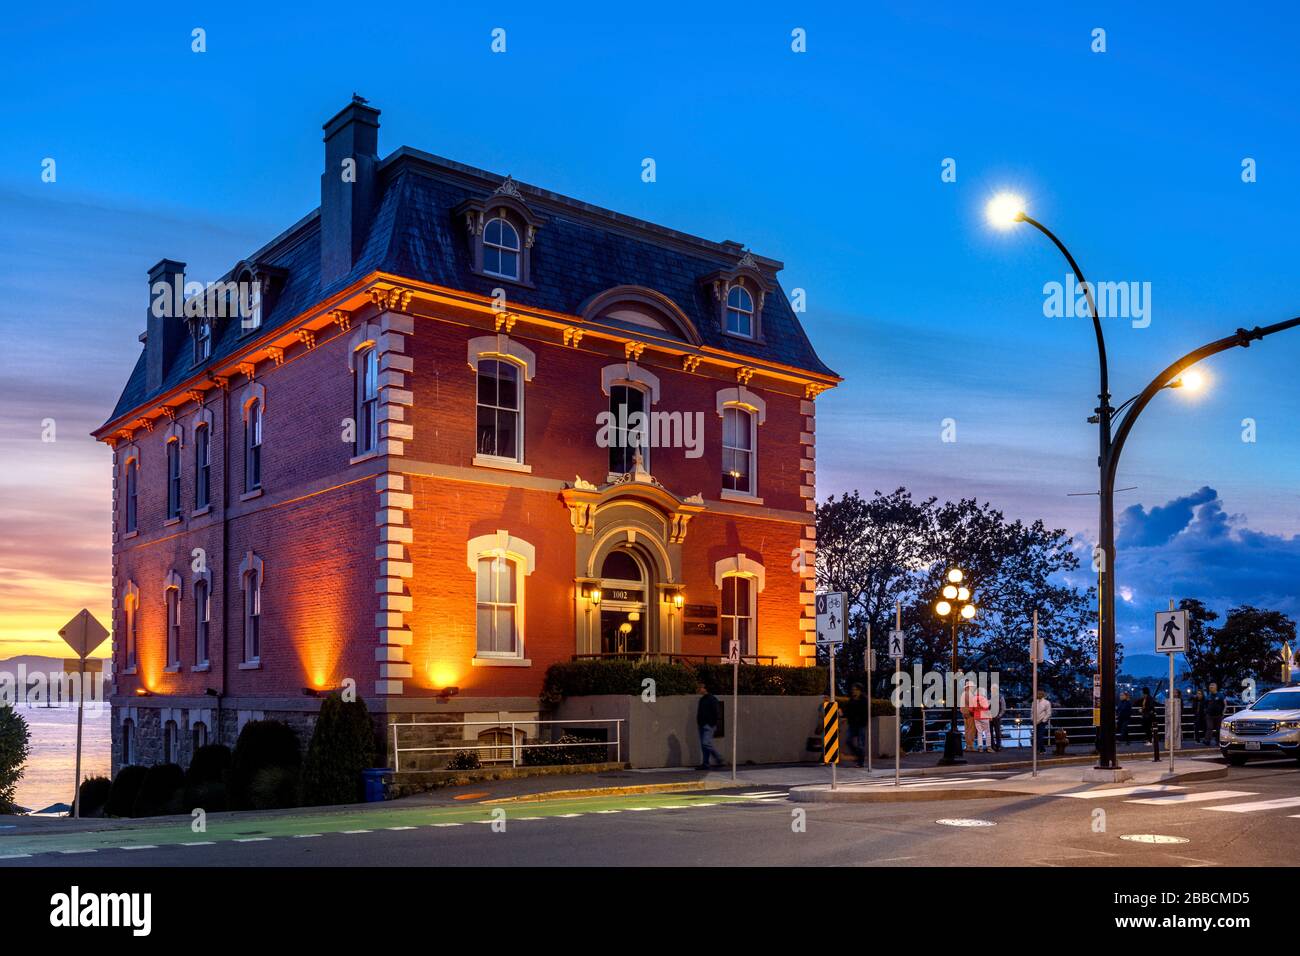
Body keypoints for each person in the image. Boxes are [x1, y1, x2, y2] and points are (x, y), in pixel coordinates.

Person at [695, 684, 725, 770]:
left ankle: (719, 758)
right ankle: (705, 763)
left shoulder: (712, 699)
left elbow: (716, 712)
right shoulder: (702, 699)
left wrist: (711, 723)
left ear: (705, 689)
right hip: (701, 725)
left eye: (701, 688)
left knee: (706, 743)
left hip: (709, 726)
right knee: (703, 745)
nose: (700, 689)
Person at [845, 684, 870, 768]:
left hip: (861, 725)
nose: (854, 691)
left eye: (855, 689)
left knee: (860, 744)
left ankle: (860, 762)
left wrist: (863, 722)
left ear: (860, 690)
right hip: (852, 724)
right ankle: (857, 755)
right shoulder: (851, 700)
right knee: (848, 740)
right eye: (853, 689)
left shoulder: (864, 700)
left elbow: (866, 713)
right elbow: (848, 710)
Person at [1139, 687, 1160, 762]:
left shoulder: (1148, 698)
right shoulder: (1147, 698)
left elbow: (1150, 707)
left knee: (1148, 728)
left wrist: (1143, 709)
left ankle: (1150, 740)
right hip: (1146, 715)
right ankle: (1149, 740)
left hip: (1148, 716)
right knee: (1147, 728)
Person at [959, 679, 977, 753]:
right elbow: (973, 705)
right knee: (971, 730)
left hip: (964, 713)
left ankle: (967, 745)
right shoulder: (970, 694)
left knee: (967, 730)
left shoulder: (963, 694)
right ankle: (970, 746)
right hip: (970, 714)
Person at [973, 686, 992, 752]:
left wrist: (975, 711)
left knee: (979, 732)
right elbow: (987, 708)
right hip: (984, 716)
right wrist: (990, 716)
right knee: (987, 732)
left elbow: (971, 709)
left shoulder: (973, 699)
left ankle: (980, 747)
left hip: (976, 716)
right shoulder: (984, 699)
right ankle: (988, 747)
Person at [1033, 689, 1052, 754]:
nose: (1038, 695)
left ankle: (1041, 749)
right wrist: (1032, 719)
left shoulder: (1047, 702)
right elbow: (1032, 711)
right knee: (1036, 736)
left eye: (1040, 694)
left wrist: (1044, 720)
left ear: (1043, 695)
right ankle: (1039, 749)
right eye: (1038, 693)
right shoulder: (1034, 702)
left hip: (1042, 721)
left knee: (1040, 736)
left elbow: (1048, 713)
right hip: (1035, 721)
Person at [1165, 688, 1182, 754]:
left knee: (1176, 730)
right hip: (1169, 719)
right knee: (1169, 731)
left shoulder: (1179, 701)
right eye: (1173, 692)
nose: (1174, 694)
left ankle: (1175, 744)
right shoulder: (1168, 701)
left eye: (1175, 692)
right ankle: (1169, 744)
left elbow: (1180, 710)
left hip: (1177, 718)